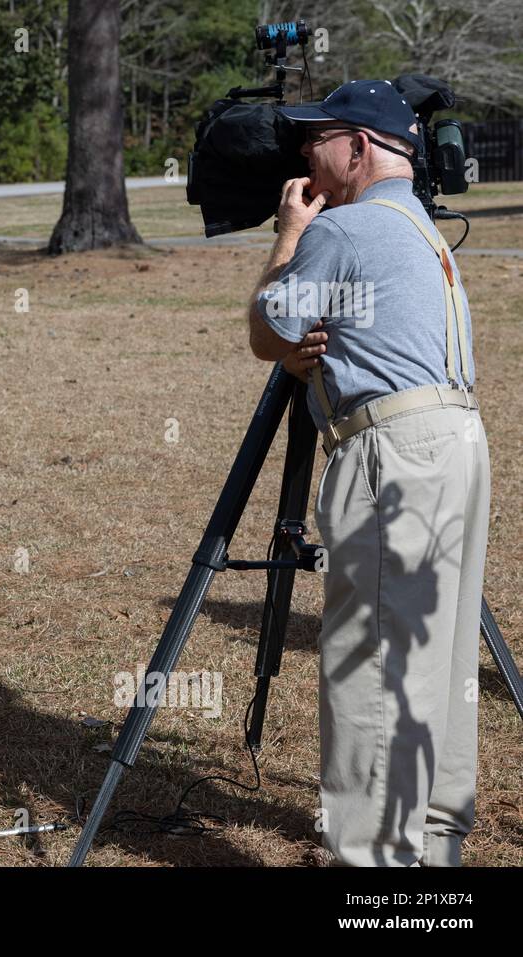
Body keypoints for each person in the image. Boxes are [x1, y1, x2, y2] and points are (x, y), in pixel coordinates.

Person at [246, 80, 488, 866]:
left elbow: (267, 327)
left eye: (318, 139)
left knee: (371, 663)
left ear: (360, 147)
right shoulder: (421, 225)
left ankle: (376, 872)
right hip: (458, 442)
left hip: (394, 454)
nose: (304, 154)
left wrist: (288, 233)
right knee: (439, 656)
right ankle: (435, 842)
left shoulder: (343, 229)